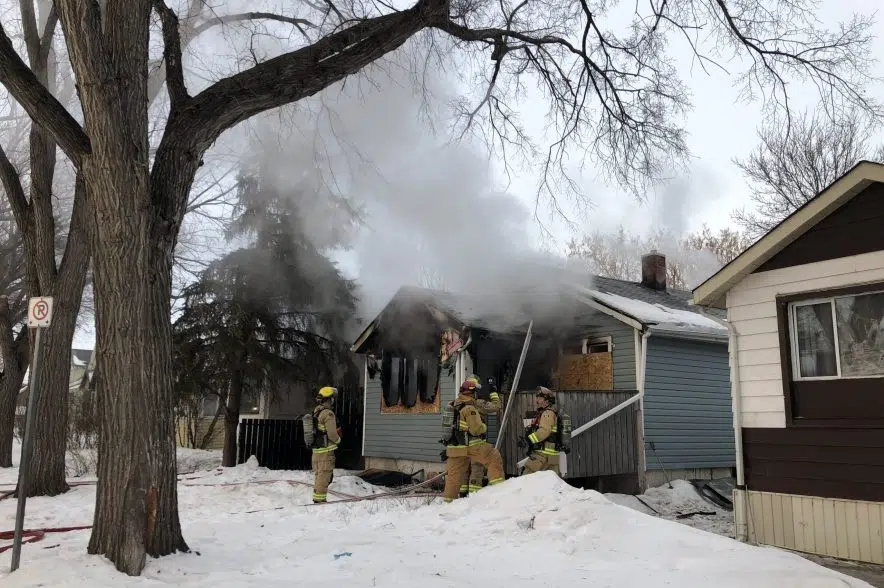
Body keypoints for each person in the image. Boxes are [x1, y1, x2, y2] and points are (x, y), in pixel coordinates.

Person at [442, 378, 506, 502]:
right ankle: (500, 492)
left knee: (453, 477)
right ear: (473, 392)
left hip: (454, 447)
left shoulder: (452, 405)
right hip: (473, 445)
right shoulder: (471, 407)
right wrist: (484, 426)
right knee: (494, 457)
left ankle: (448, 504)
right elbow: (476, 430)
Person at [462, 375, 501, 496]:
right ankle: (474, 496)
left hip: (461, 444)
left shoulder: (458, 403)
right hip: (476, 443)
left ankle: (462, 496)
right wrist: (493, 391)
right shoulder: (478, 403)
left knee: (464, 469)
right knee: (477, 469)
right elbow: (496, 406)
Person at [520, 386, 561, 475]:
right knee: (551, 484)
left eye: (540, 398)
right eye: (537, 397)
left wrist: (529, 440)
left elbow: (544, 431)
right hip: (550, 456)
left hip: (542, 455)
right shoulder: (546, 413)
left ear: (547, 401)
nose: (537, 401)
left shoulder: (547, 413)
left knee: (526, 479)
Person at [311, 386, 341, 503]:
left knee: (319, 476)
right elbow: (332, 434)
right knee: (324, 477)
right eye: (332, 399)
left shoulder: (316, 411)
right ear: (329, 399)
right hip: (326, 452)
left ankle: (318, 499)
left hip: (317, 451)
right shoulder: (328, 414)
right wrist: (338, 441)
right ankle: (320, 502)